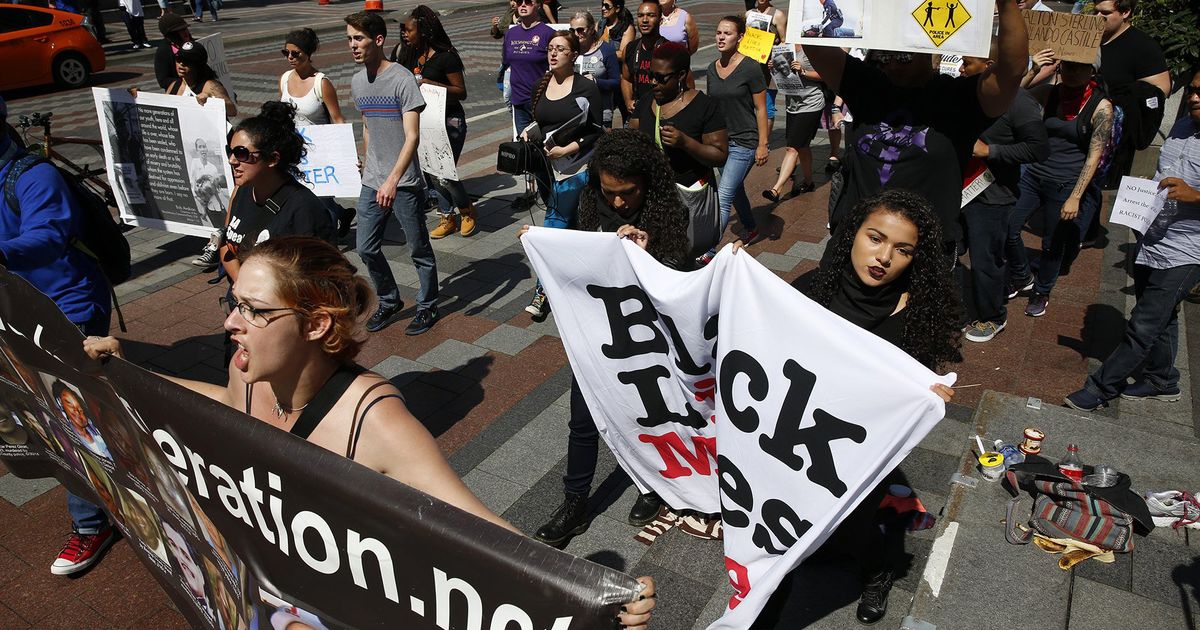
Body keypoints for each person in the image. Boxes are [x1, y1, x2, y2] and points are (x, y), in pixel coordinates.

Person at [83, 236, 657, 630]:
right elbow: (223, 408)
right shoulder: (248, 372)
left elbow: (477, 527)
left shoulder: (375, 420)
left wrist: (590, 593)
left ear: (315, 325)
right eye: (234, 305)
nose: (231, 323)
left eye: (253, 311)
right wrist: (131, 374)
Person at [745, 190, 958, 627]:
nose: (884, 257)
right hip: (796, 427)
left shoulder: (918, 316)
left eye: (903, 250)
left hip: (857, 444)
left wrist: (928, 396)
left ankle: (879, 569)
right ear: (852, 234)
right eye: (875, 238)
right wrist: (733, 277)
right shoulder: (812, 288)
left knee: (856, 522)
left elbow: (909, 385)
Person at [529, 129, 692, 546]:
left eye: (628, 193)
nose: (618, 203)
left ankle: (653, 486)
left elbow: (681, 276)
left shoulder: (667, 210)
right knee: (582, 421)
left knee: (650, 415)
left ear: (646, 184)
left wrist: (650, 253)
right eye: (610, 192)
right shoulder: (590, 201)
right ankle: (574, 503)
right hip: (599, 336)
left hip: (649, 342)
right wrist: (541, 246)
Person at [803, 0, 1027, 257]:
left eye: (904, 55)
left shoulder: (958, 98)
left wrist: (1006, 3)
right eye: (882, 56)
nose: (891, 64)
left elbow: (1012, 69)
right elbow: (812, 37)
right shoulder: (868, 85)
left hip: (923, 255)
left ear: (929, 52)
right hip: (856, 246)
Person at [0, 95, 117, 577]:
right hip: (16, 312)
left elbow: (47, 236)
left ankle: (92, 524)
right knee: (50, 411)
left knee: (71, 417)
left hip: (67, 311)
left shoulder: (33, 176)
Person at [1064, 70, 1200, 411]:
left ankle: (1100, 389)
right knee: (1162, 315)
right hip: (1154, 237)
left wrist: (1196, 196)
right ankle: (1162, 379)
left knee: (1144, 323)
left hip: (1188, 251)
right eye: (1193, 90)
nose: (1194, 97)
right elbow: (1164, 175)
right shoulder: (1183, 126)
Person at [345, 10, 440, 336]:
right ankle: (389, 300)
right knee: (365, 247)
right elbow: (367, 124)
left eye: (359, 38)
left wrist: (393, 179)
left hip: (404, 182)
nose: (353, 45)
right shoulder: (358, 81)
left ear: (378, 40)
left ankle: (428, 305)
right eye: (349, 39)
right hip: (373, 180)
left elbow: (412, 136)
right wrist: (368, 159)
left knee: (418, 249)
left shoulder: (402, 79)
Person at [1006, 59, 1113, 319]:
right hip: (1033, 175)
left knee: (1052, 244)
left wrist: (1075, 196)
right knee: (1008, 227)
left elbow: (1094, 156)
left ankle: (1042, 290)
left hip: (1066, 183)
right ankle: (1022, 276)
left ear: (1092, 71)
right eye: (1067, 66)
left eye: (1079, 67)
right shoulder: (1050, 92)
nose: (1072, 72)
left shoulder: (1101, 107)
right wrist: (1034, 70)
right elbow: (1012, 96)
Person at [958, 47, 1049, 343]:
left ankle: (992, 317)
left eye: (966, 63)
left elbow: (1038, 148)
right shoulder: (965, 93)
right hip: (957, 190)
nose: (960, 69)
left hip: (993, 197)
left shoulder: (1019, 102)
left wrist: (991, 151)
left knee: (985, 260)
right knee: (950, 250)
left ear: (989, 65)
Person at [522, 30, 604, 319]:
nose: (553, 53)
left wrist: (568, 148)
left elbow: (596, 130)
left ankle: (542, 291)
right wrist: (529, 132)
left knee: (553, 224)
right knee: (572, 226)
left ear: (574, 55)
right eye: (550, 49)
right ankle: (580, 282)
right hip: (547, 169)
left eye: (560, 49)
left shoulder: (586, 87)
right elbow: (539, 120)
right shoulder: (541, 85)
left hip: (577, 167)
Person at [218, 101, 334, 286]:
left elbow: (317, 277)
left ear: (272, 159)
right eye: (230, 151)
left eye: (241, 153)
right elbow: (226, 242)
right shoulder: (241, 189)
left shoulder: (303, 208)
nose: (232, 160)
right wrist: (242, 284)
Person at [630, 42, 726, 254]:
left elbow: (720, 155)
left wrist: (686, 143)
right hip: (650, 199)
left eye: (661, 77)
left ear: (681, 75)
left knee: (682, 255)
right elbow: (632, 137)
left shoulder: (704, 106)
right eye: (651, 75)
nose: (653, 82)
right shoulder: (647, 101)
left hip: (686, 202)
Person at [394, 6, 477, 240]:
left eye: (408, 30)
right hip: (423, 121)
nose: (404, 34)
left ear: (424, 31)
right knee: (431, 171)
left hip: (450, 121)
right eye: (402, 30)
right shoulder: (409, 54)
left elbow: (461, 92)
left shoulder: (446, 56)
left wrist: (433, 85)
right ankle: (447, 217)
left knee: (444, 172)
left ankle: (466, 211)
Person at [699, 15, 768, 265]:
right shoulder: (711, 68)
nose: (721, 37)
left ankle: (708, 249)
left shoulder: (750, 67)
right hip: (720, 143)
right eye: (719, 32)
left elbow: (761, 108)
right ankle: (751, 227)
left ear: (740, 37)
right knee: (735, 189)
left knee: (724, 194)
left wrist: (763, 144)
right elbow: (712, 107)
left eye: (727, 33)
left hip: (745, 142)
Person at [278, 27, 355, 236]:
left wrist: (348, 154)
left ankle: (328, 241)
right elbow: (282, 114)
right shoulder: (285, 79)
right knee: (299, 194)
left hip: (318, 151)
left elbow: (337, 118)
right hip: (292, 149)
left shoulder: (321, 83)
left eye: (296, 53)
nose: (290, 57)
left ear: (308, 53)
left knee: (321, 199)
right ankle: (342, 214)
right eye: (286, 53)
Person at [1094, 0, 1170, 189]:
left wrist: (1123, 103)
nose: (1097, 17)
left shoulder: (1143, 47)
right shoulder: (1088, 37)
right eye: (1095, 12)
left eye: (1105, 13)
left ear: (1125, 12)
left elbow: (1160, 90)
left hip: (1112, 141)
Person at [503, 0, 557, 209]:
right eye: (520, 1)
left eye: (529, 1)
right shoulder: (511, 34)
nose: (523, 4)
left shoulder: (547, 33)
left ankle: (555, 201)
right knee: (530, 154)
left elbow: (557, 65)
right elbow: (507, 63)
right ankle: (543, 198)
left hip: (542, 103)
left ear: (538, 5)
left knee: (547, 153)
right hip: (519, 103)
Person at [763, 46, 824, 202]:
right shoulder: (785, 46)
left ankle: (776, 189)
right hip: (792, 105)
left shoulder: (812, 48)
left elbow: (824, 74)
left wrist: (803, 71)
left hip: (811, 103)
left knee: (792, 148)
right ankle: (809, 182)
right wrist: (773, 68)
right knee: (802, 146)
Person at [571, 11, 621, 129]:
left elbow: (616, 82)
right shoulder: (571, 50)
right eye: (572, 30)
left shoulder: (606, 50)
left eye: (580, 30)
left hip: (600, 113)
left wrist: (595, 82)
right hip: (574, 113)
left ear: (591, 29)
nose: (576, 34)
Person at [165, 41, 237, 118]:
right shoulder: (174, 86)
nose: (181, 64)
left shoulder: (211, 86)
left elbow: (232, 111)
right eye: (178, 59)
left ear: (198, 65)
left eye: (187, 60)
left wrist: (211, 100)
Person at [619, 1, 666, 115]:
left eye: (651, 15)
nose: (645, 20)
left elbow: (687, 86)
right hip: (638, 112)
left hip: (662, 112)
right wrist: (628, 101)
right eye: (640, 16)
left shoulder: (670, 50)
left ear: (660, 20)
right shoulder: (630, 49)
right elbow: (626, 78)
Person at [154, 13, 194, 91]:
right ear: (172, 34)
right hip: (182, 91)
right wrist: (185, 80)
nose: (186, 32)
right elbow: (163, 81)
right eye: (181, 31)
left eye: (185, 29)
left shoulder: (193, 44)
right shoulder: (164, 51)